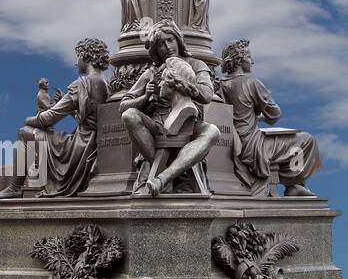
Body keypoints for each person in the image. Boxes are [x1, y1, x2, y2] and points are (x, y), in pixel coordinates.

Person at [0, 39, 109, 198]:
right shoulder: (106, 83)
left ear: (86, 56)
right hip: (93, 145)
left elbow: (48, 119)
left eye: (78, 56)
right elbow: (90, 120)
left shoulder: (82, 84)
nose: (76, 63)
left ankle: (15, 188)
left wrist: (29, 120)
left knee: (24, 133)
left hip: (79, 148)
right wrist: (71, 110)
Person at [119, 19, 219, 196]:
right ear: (156, 50)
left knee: (212, 132)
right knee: (129, 115)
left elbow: (207, 95)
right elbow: (123, 105)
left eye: (170, 40)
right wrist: (144, 98)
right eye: (161, 44)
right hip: (158, 125)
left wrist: (182, 83)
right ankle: (172, 171)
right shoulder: (151, 72)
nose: (167, 47)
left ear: (178, 40)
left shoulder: (196, 65)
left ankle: (164, 176)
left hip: (188, 124)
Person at [219, 40, 320, 196]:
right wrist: (258, 116)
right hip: (253, 145)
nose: (251, 61)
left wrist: (252, 115)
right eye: (249, 57)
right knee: (306, 140)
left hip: (233, 142)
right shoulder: (252, 83)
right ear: (240, 59)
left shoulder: (220, 84)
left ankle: (294, 185)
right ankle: (293, 184)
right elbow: (274, 115)